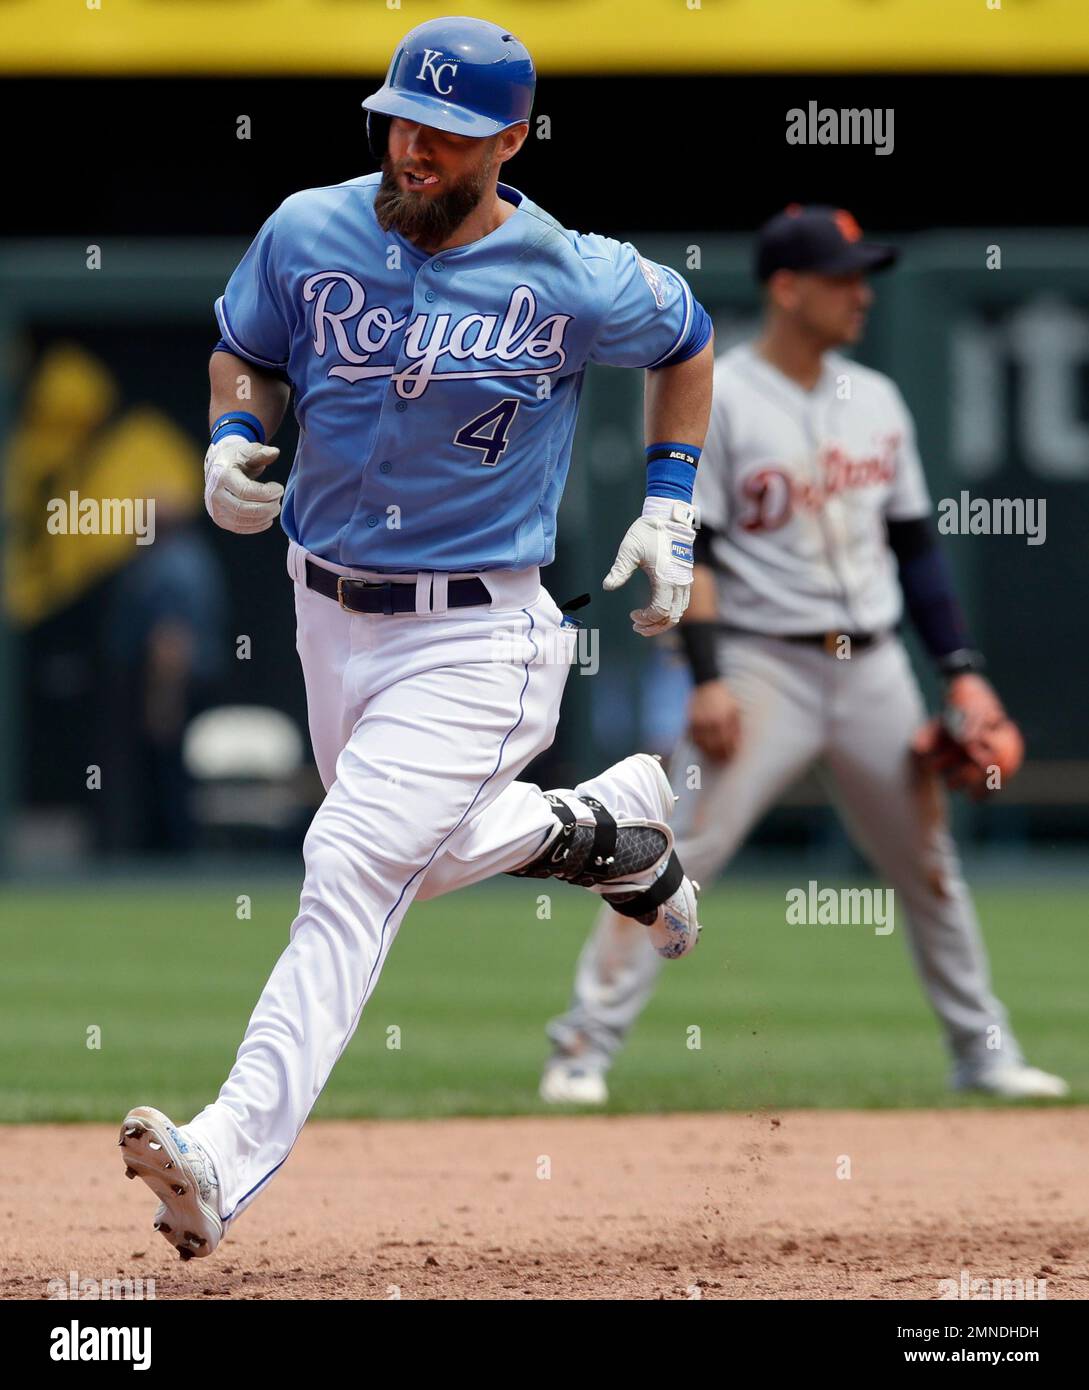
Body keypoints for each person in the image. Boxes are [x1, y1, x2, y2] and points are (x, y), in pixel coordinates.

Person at [117, 16, 714, 1261]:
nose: (410, 149)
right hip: (324, 607)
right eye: (397, 121)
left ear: (508, 136)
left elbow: (690, 333)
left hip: (478, 634)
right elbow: (246, 348)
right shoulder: (308, 227)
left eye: (441, 133)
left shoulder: (566, 270)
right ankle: (593, 829)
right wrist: (231, 435)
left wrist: (670, 501)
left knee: (349, 861)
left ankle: (222, 1151)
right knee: (408, 856)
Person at [539, 204, 1068, 1107]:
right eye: (841, 277)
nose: (861, 294)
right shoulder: (723, 393)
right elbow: (687, 544)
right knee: (674, 852)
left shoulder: (879, 398)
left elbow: (915, 549)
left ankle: (982, 1051)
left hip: (874, 670)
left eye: (863, 276)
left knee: (929, 867)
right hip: (758, 664)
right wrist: (703, 679)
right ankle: (581, 1048)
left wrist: (961, 670)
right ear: (787, 288)